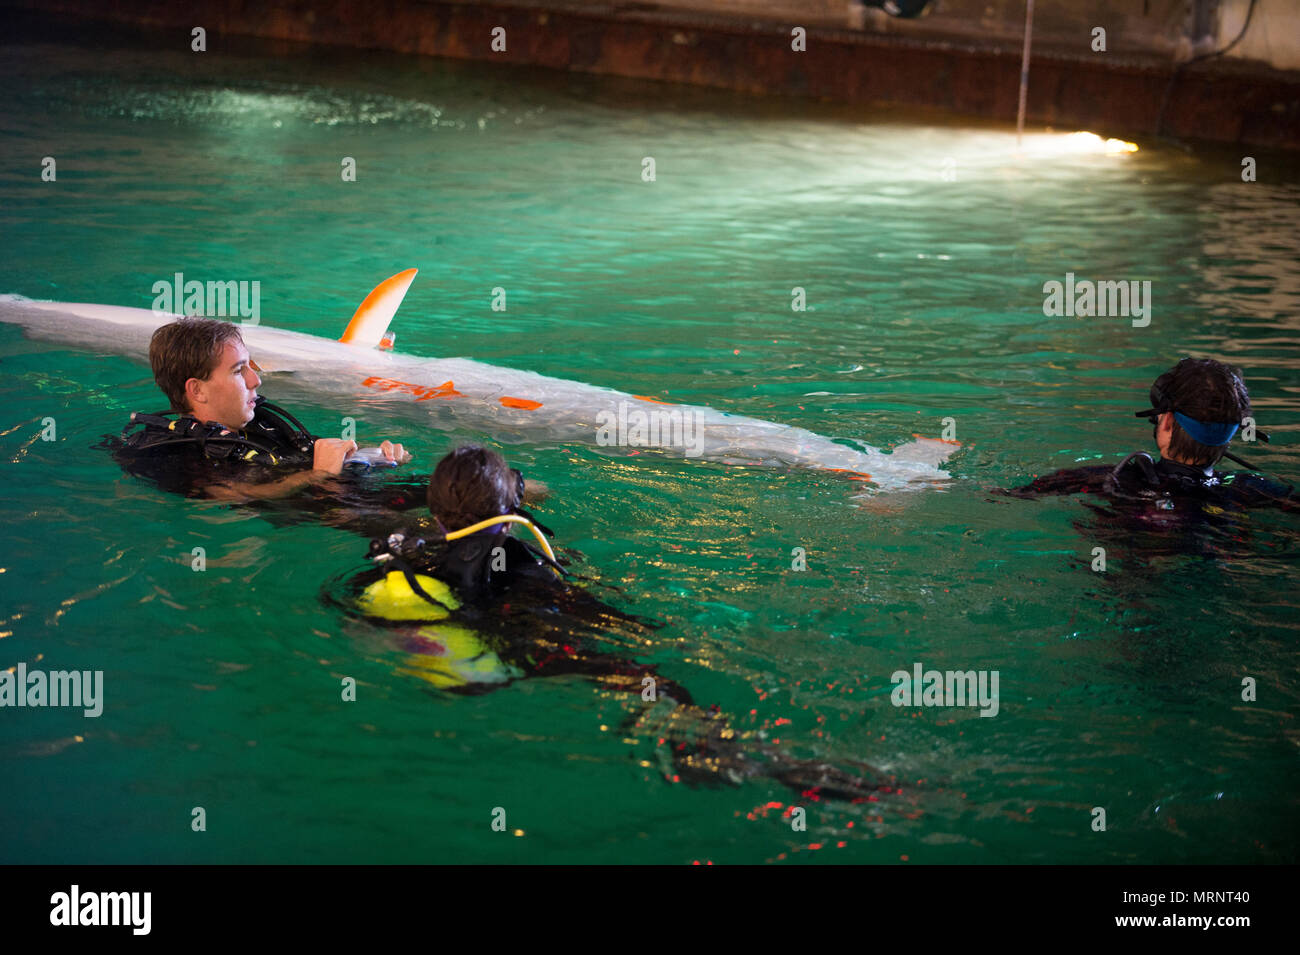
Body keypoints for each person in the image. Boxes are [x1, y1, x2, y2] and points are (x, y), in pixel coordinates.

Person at [328, 445, 888, 801]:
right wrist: (643, 627)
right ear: (510, 511)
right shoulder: (525, 558)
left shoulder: (415, 552)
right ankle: (773, 767)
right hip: (542, 640)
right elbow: (587, 612)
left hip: (473, 644)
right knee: (661, 686)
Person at [107, 317, 411, 502]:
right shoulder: (173, 454)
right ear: (197, 390)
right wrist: (316, 476)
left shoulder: (261, 425)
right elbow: (225, 499)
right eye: (239, 371)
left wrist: (375, 458)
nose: (256, 379)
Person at [1005, 358, 1295, 515]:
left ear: (1166, 421)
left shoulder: (1109, 479)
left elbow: (1007, 497)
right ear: (1230, 437)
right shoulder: (1249, 489)